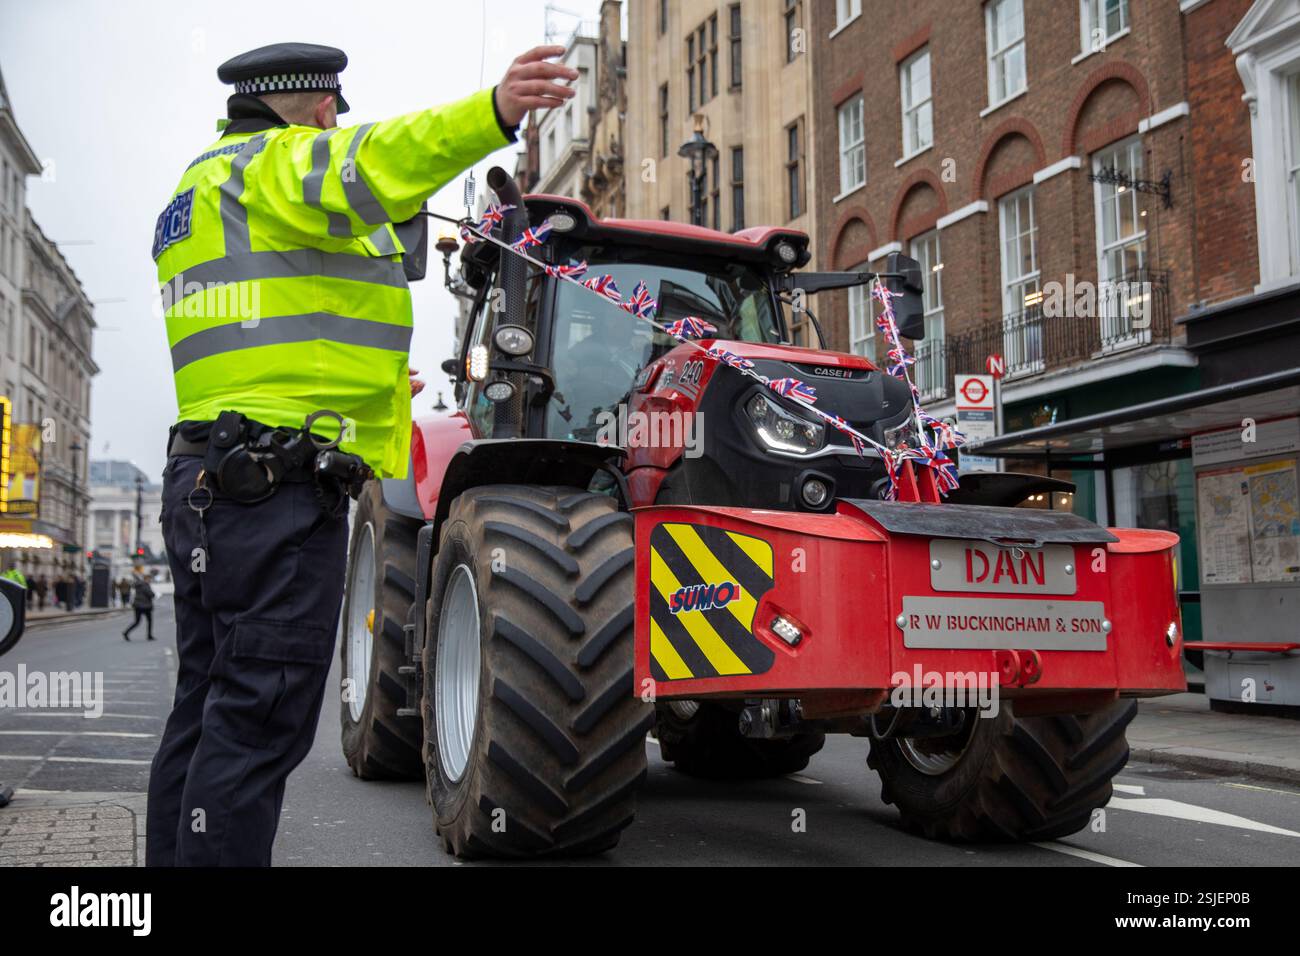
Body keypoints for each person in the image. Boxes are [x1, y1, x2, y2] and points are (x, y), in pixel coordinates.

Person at [145, 40, 576, 867]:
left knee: (206, 711)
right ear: (309, 106)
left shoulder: (196, 191)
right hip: (273, 494)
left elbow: (272, 331)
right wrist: (494, 110)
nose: (337, 120)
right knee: (255, 721)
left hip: (212, 473)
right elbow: (379, 158)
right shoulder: (274, 163)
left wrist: (370, 399)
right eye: (332, 108)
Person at [123, 567, 155, 641]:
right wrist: (153, 594)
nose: (150, 580)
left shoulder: (139, 585)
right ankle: (149, 635)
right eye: (149, 579)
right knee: (149, 621)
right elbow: (150, 594)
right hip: (145, 606)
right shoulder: (145, 585)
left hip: (137, 605)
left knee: (137, 622)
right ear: (146, 579)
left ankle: (126, 632)